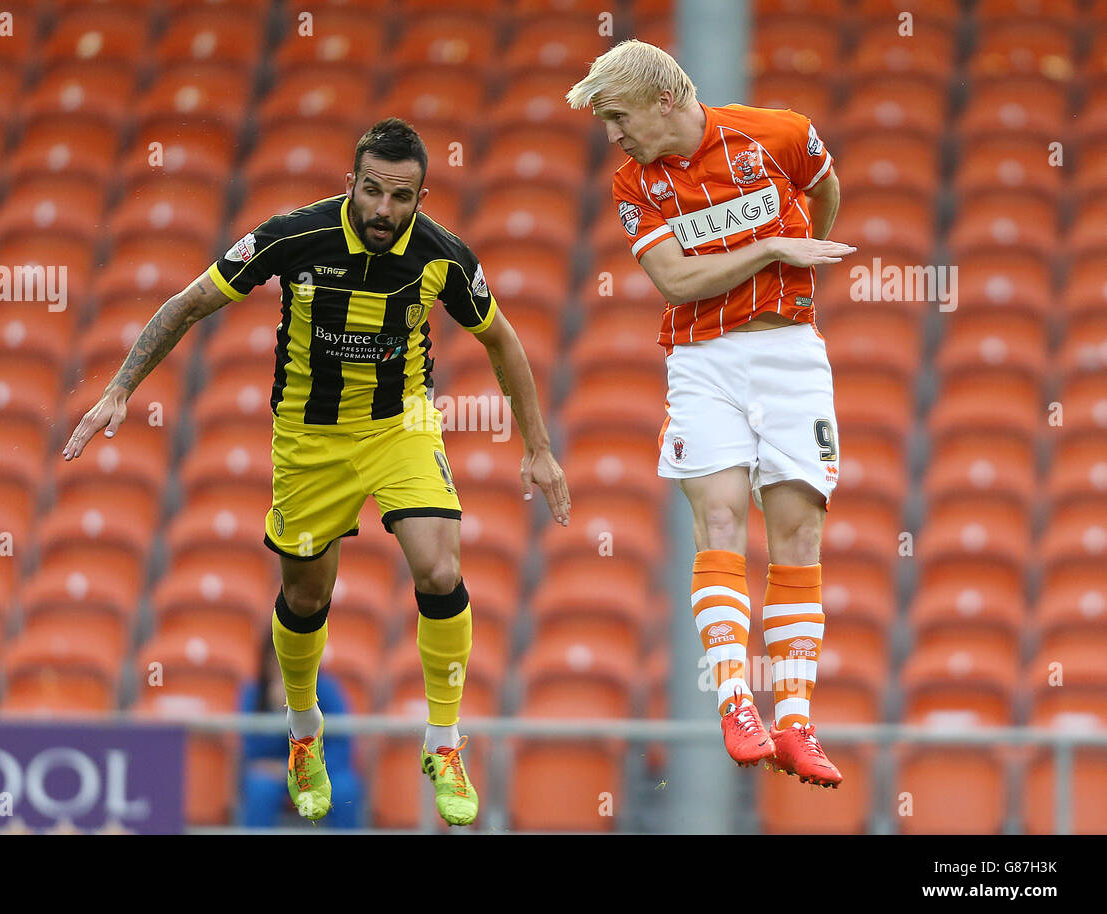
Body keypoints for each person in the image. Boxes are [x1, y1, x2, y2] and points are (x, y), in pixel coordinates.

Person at [63, 118, 571, 825]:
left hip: (401, 426)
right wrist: (121, 385)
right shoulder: (293, 237)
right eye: (372, 191)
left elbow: (503, 340)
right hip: (308, 437)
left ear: (420, 199)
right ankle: (304, 731)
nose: (383, 210)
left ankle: (446, 741)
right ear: (351, 184)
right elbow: (189, 304)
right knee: (306, 597)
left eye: (401, 197)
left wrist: (538, 446)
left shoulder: (444, 257)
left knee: (442, 570)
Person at [567, 40, 853, 787]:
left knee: (799, 529)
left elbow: (825, 198)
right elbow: (675, 280)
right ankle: (735, 701)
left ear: (665, 100)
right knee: (721, 516)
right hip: (703, 361)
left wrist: (797, 252)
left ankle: (794, 721)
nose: (614, 136)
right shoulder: (635, 181)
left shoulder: (782, 133)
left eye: (619, 116)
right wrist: (770, 250)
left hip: (792, 354)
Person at [237, 644, 361, 829]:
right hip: (276, 772)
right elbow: (254, 749)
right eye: (278, 661)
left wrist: (303, 769)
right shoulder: (254, 692)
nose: (283, 668)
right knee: (260, 789)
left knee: (345, 790)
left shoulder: (326, 688)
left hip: (321, 768)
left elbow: (341, 745)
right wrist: (277, 711)